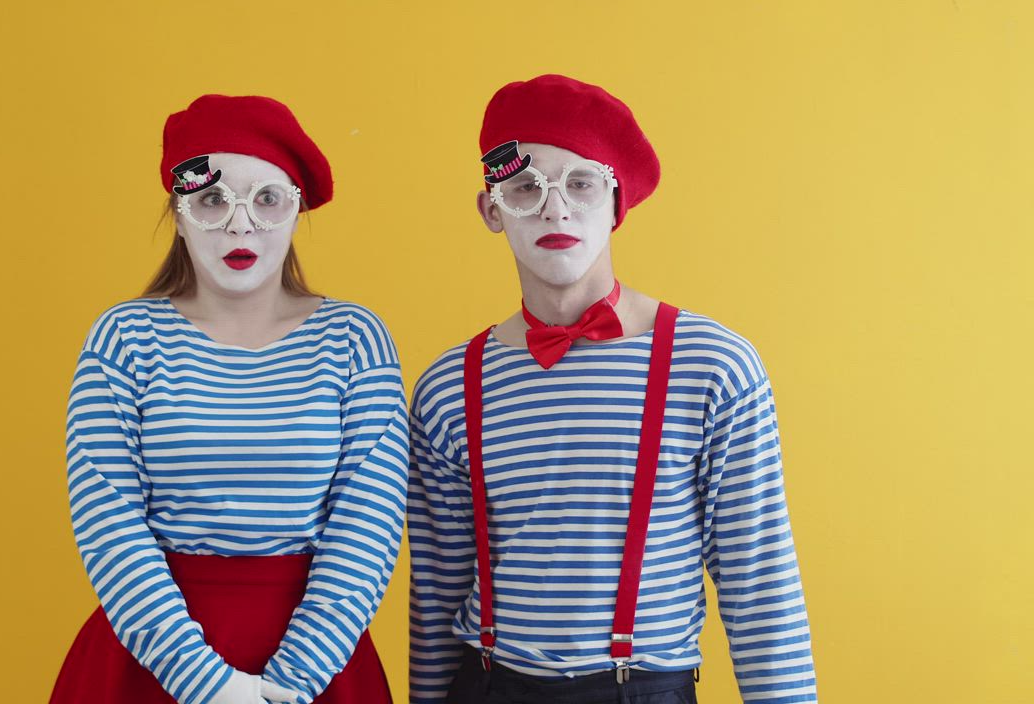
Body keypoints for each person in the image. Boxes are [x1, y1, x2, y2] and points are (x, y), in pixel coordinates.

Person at [408, 74, 818, 704]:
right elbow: (435, 596)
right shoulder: (447, 387)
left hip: (642, 689)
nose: (555, 208)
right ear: (493, 210)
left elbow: (759, 583)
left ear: (616, 199)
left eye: (580, 182)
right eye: (524, 187)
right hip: (488, 684)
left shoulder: (711, 365)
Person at [50, 93, 409, 704]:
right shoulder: (124, 338)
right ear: (180, 212)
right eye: (212, 199)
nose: (240, 224)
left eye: (268, 199)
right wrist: (207, 685)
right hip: (149, 659)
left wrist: (291, 683)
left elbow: (367, 525)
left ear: (297, 213)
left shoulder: (355, 339)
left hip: (317, 662)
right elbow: (107, 520)